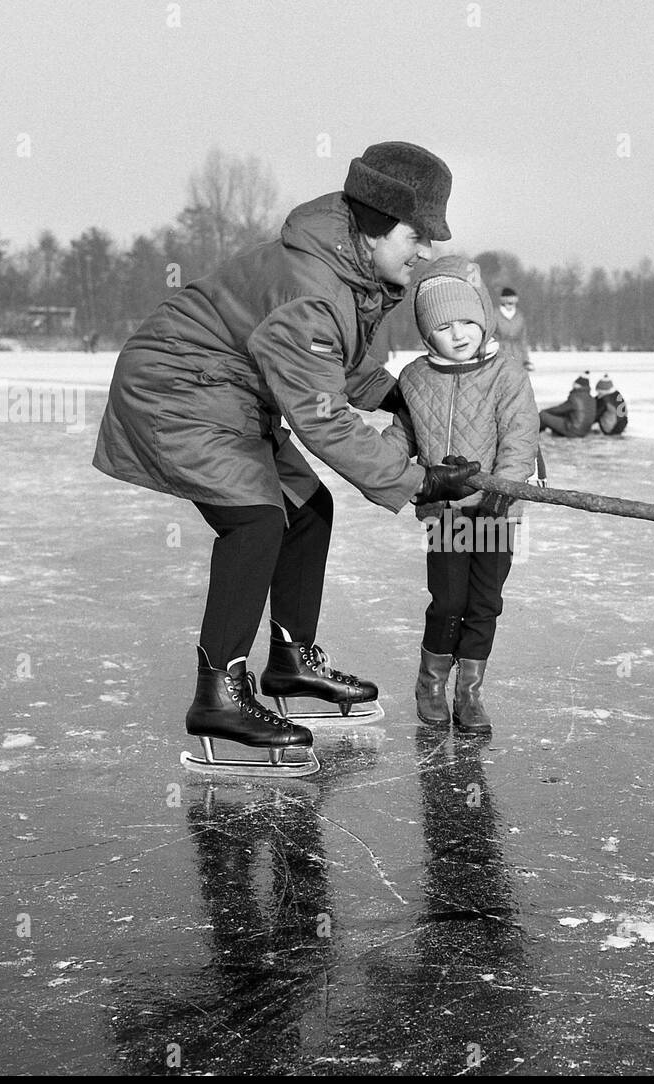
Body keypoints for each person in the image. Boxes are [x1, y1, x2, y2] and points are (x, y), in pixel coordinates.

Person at [92, 142, 482, 771]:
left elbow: (339, 368)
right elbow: (322, 419)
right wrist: (416, 483)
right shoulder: (315, 286)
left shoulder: (348, 268)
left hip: (229, 389)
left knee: (306, 509)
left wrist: (403, 397)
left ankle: (292, 663)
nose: (429, 249)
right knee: (256, 518)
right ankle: (218, 695)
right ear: (379, 225)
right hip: (179, 386)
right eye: (419, 234)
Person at [383, 257, 539, 732]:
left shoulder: (505, 373)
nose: (459, 333)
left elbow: (519, 437)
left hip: (495, 511)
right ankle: (431, 684)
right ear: (428, 333)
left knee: (484, 603)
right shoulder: (414, 378)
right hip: (446, 513)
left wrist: (501, 494)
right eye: (444, 326)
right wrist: (383, 467)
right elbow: (401, 435)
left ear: (484, 319)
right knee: (448, 601)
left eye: (468, 321)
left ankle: (469, 693)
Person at [539, 372, 596, 437]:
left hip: (573, 430)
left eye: (575, 383)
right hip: (584, 431)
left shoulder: (576, 397)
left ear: (578, 385)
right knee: (555, 417)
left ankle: (533, 436)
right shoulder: (591, 398)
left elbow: (560, 409)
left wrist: (545, 410)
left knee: (542, 415)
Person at [496, 287, 533, 370]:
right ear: (503, 302)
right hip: (499, 355)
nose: (511, 305)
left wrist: (526, 359)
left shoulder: (520, 316)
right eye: (509, 303)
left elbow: (523, 339)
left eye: (513, 303)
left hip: (517, 356)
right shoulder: (494, 315)